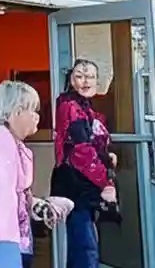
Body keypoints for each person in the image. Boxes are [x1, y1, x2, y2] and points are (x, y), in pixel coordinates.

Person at [0, 80, 72, 268]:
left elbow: (16, 196)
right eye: (33, 110)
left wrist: (42, 206)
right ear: (16, 112)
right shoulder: (0, 141)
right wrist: (10, 261)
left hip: (1, 250)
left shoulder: (8, 142)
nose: (37, 117)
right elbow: (1, 205)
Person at [52, 59, 119, 268]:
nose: (85, 81)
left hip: (84, 184)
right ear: (71, 79)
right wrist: (105, 182)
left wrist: (107, 159)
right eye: (79, 76)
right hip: (76, 185)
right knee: (85, 248)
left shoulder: (86, 107)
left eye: (90, 76)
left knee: (85, 244)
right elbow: (81, 150)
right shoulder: (70, 106)